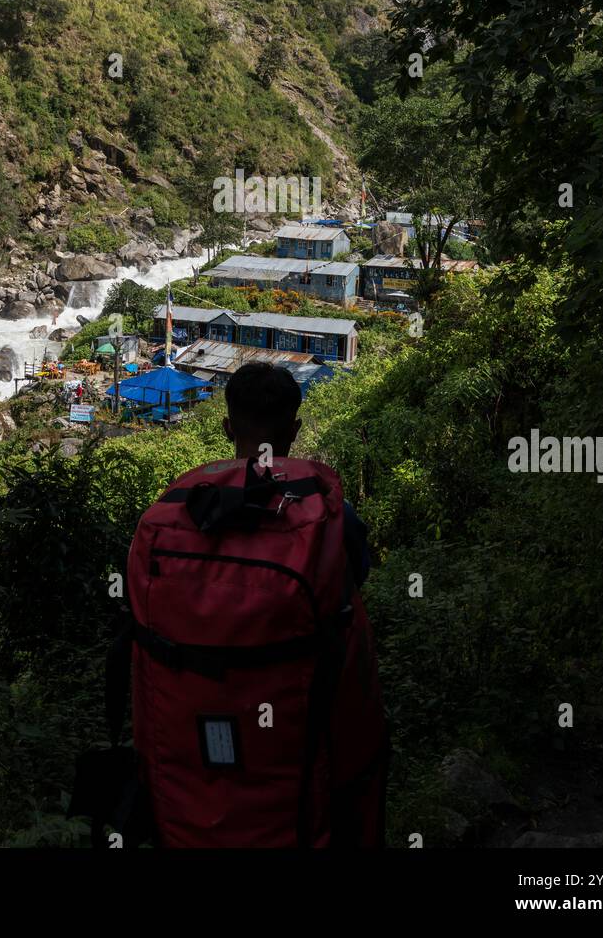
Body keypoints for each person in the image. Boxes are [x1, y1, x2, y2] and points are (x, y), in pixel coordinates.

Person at [125, 360, 388, 848]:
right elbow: (351, 593)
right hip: (294, 779)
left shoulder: (175, 509)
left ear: (227, 426)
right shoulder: (328, 514)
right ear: (295, 428)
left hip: (186, 785)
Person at [222, 363, 371, 588]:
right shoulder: (333, 513)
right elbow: (355, 578)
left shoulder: (193, 499)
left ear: (227, 428)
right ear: (295, 430)